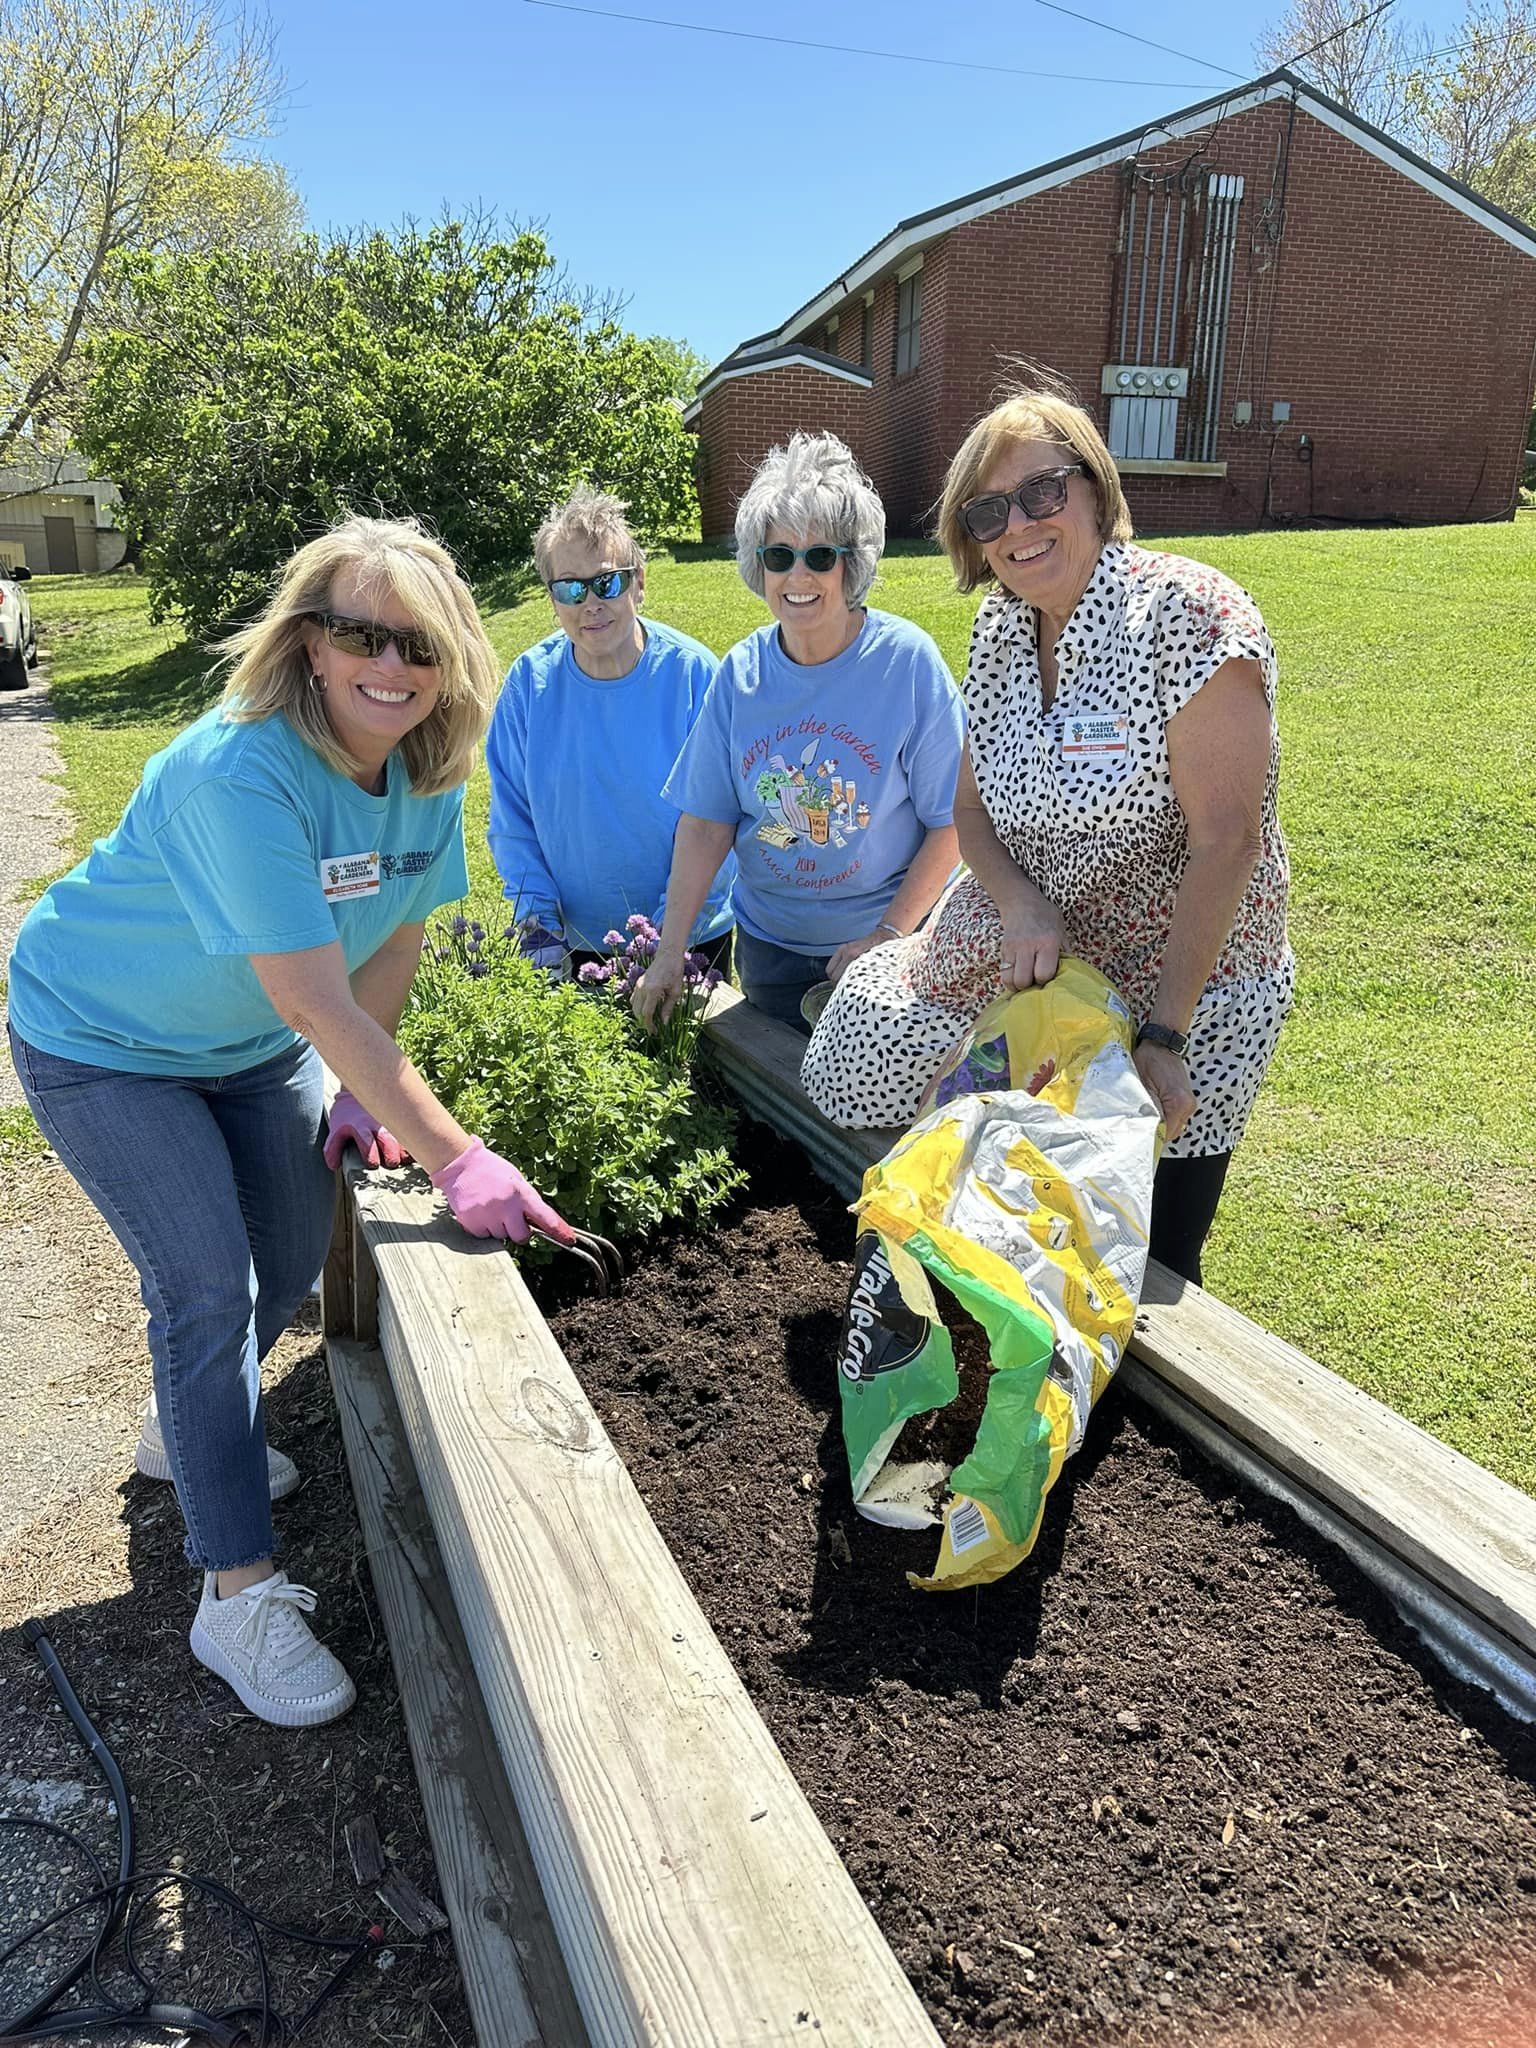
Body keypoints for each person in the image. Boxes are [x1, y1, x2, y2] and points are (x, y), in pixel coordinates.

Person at [7, 514, 573, 1728]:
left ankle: (188, 1421)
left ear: (450, 660)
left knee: (284, 1259)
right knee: (205, 1285)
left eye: (417, 642)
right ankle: (235, 1590)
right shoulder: (242, 771)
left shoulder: (426, 765)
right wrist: (456, 1154)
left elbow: (393, 943)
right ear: (310, 642)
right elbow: (320, 1001)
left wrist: (375, 1095)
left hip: (250, 1043)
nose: (390, 662)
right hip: (103, 1039)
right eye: (359, 630)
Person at [802, 378, 1294, 1285]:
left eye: (1042, 491)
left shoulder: (1191, 615)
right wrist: (1022, 905)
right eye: (989, 511)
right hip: (1033, 950)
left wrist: (1166, 1035)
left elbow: (1228, 843)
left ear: (1096, 488)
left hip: (1184, 982)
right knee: (857, 1067)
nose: (1019, 525)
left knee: (1136, 1246)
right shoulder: (1001, 627)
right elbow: (971, 808)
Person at [632, 432, 963, 1036]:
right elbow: (706, 822)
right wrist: (668, 951)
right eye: (779, 556)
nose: (797, 575)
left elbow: (954, 821)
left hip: (886, 953)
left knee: (868, 1118)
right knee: (768, 1116)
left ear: (852, 563)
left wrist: (888, 936)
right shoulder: (742, 673)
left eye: (820, 556)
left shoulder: (907, 664)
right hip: (769, 948)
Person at [486, 487, 733, 969]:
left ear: (639, 582)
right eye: (571, 589)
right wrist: (539, 927)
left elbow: (721, 823)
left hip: (691, 936)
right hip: (570, 939)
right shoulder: (528, 684)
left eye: (607, 583)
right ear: (552, 598)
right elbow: (512, 820)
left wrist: (666, 936)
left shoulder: (695, 675)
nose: (590, 604)